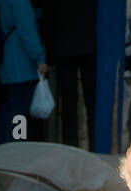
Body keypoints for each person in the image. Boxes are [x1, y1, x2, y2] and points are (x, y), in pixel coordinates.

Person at [40, 0, 96, 148]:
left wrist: (49, 56)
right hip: (91, 47)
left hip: (63, 49)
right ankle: (96, 145)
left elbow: (48, 19)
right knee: (93, 103)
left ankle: (70, 146)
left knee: (68, 105)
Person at [0, 0, 48, 146]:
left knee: (9, 107)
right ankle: (16, 145)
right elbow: (27, 30)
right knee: (20, 110)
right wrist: (40, 58)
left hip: (7, 63)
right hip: (21, 64)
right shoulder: (19, 2)